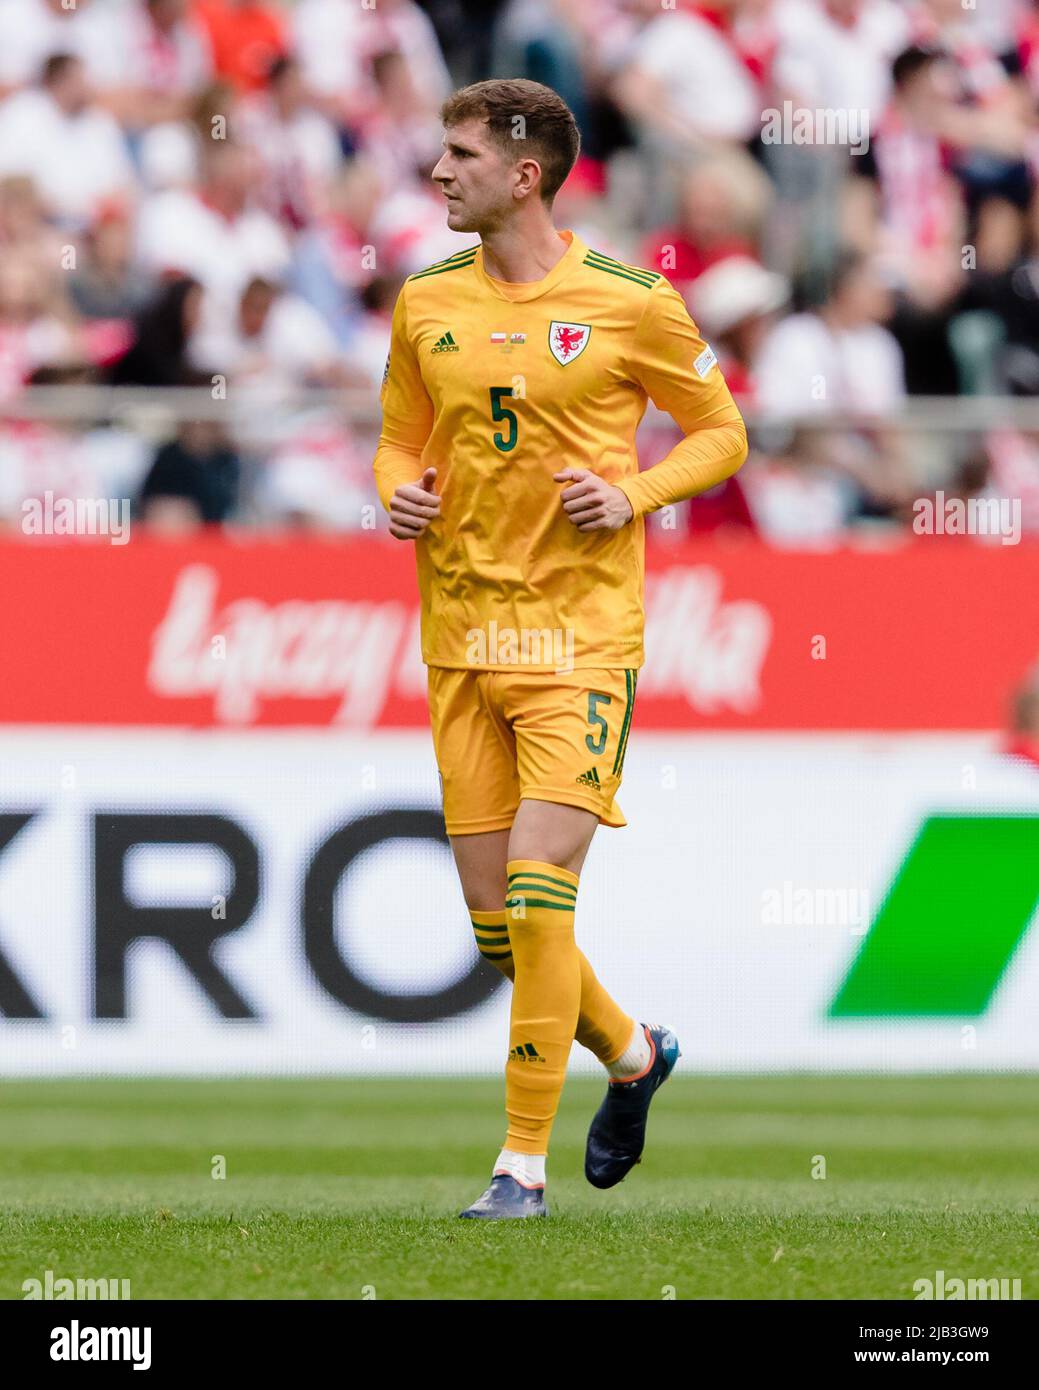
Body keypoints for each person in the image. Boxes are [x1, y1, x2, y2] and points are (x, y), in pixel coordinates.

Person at [373, 78, 748, 1220]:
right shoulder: (423, 299)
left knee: (541, 895)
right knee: (498, 928)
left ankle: (518, 1168)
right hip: (459, 635)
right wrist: (397, 498)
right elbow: (397, 440)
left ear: (523, 173)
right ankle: (633, 1054)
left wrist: (631, 494)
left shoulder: (633, 302)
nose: (439, 172)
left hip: (579, 638)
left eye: (459, 155)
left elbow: (725, 432)